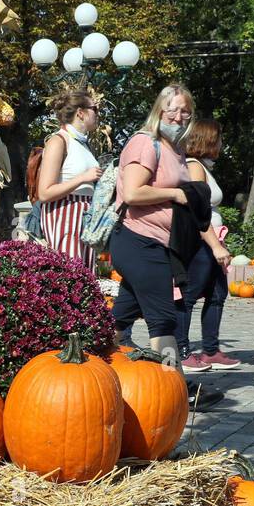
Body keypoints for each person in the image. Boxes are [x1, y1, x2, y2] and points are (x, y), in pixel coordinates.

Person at [108, 83, 223, 409]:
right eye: (172, 108)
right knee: (164, 318)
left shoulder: (177, 151)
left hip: (159, 246)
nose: (179, 115)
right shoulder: (146, 144)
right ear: (159, 109)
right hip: (137, 241)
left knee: (123, 315)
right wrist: (174, 194)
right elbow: (132, 193)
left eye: (185, 110)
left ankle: (90, 360)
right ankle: (176, 388)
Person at [177, 118, 239, 372]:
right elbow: (195, 208)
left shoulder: (205, 167)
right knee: (189, 295)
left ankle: (211, 350)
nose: (222, 143)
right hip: (201, 239)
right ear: (208, 140)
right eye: (219, 138)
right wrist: (213, 243)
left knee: (217, 294)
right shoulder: (194, 166)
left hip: (215, 239)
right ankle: (181, 350)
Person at [36, 87, 105, 262]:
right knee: (71, 278)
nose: (98, 114)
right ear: (81, 113)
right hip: (65, 215)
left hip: (85, 216)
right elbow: (44, 193)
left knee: (85, 279)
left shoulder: (83, 144)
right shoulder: (58, 141)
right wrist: (83, 178)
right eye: (94, 109)